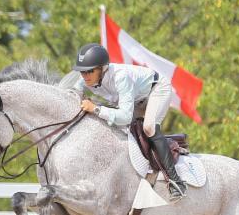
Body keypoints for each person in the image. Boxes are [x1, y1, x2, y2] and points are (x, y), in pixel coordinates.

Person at [70, 43, 187, 200]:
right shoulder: (85, 80)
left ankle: (176, 182)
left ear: (102, 68)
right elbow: (70, 94)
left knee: (149, 127)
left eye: (90, 71)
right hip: (135, 101)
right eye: (82, 71)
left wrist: (96, 109)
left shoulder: (120, 77)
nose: (85, 76)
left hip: (157, 90)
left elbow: (124, 116)